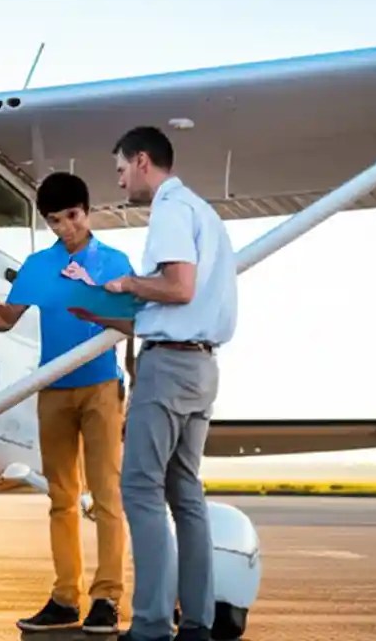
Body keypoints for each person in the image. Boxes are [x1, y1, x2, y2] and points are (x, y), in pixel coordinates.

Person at [70, 126, 238, 641]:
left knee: (138, 488)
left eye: (121, 170)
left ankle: (148, 626)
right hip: (201, 367)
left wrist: (123, 284)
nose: (120, 183)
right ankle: (197, 624)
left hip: (167, 370)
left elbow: (177, 288)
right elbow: (173, 308)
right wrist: (103, 313)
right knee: (184, 491)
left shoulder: (169, 209)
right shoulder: (205, 215)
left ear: (143, 161)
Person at [0, 171, 135, 635]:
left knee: (107, 496)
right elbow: (3, 321)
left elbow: (135, 325)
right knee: (61, 498)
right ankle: (64, 598)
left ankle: (107, 599)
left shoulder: (115, 261)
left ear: (87, 211)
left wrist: (90, 296)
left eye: (72, 217)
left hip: (101, 389)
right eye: (56, 221)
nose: (66, 228)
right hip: (52, 390)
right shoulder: (37, 266)